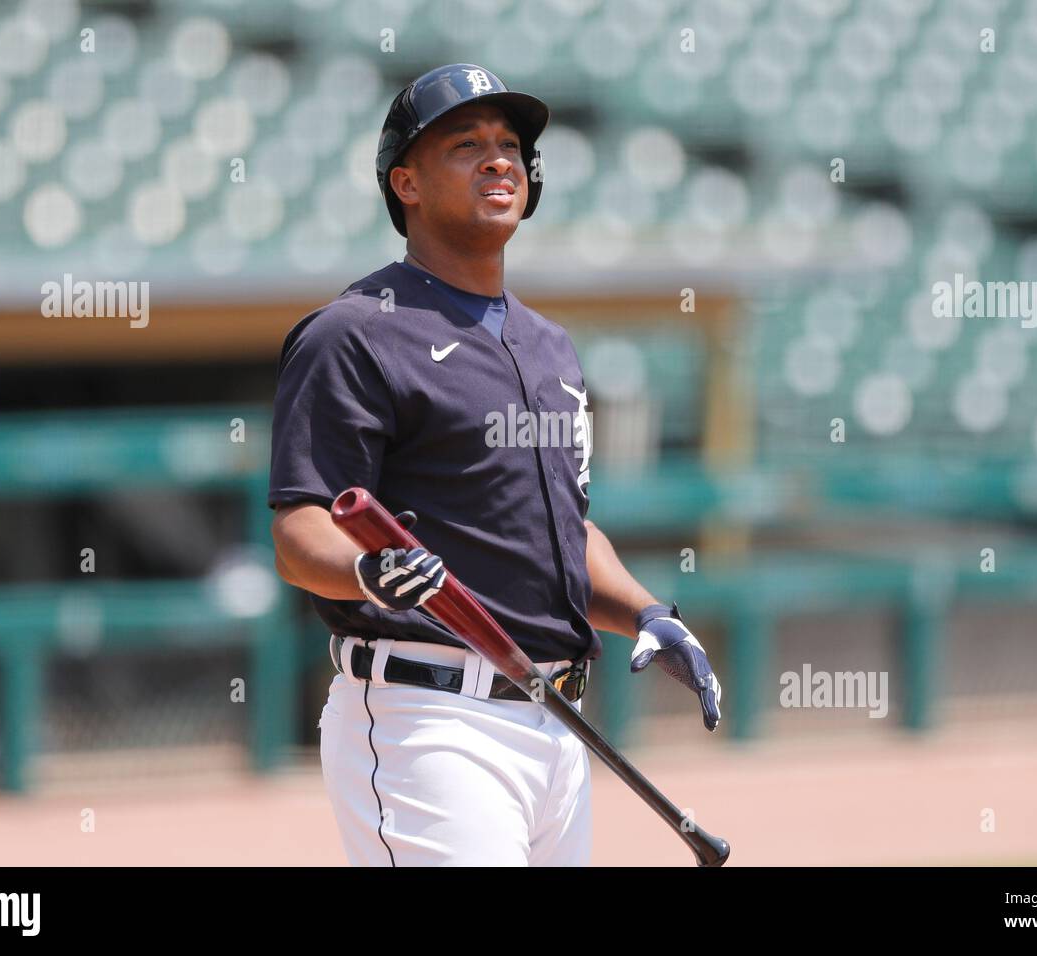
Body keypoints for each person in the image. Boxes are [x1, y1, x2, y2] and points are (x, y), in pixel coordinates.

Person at [269, 63, 721, 867]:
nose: (500, 159)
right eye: (467, 144)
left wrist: (650, 612)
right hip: (426, 717)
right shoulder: (353, 332)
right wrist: (371, 574)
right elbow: (301, 535)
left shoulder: (549, 345)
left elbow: (560, 529)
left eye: (511, 145)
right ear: (404, 182)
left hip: (557, 723)